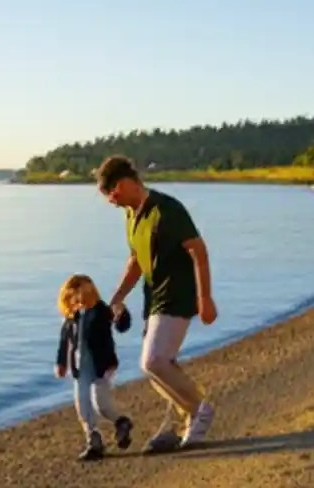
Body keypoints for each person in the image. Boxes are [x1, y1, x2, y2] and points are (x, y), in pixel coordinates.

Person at [98, 155, 218, 453]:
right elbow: (136, 262)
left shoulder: (168, 210)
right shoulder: (131, 216)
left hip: (178, 296)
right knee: (153, 365)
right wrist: (115, 299)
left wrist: (205, 298)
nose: (110, 201)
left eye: (111, 193)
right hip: (154, 299)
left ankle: (200, 409)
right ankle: (187, 416)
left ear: (125, 183)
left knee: (154, 361)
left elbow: (198, 251)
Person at [54, 273, 134, 461]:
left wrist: (122, 314)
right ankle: (93, 440)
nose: (78, 298)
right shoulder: (72, 317)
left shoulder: (101, 311)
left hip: (101, 366)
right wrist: (61, 362)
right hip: (80, 369)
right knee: (82, 405)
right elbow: (64, 340)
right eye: (74, 294)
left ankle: (121, 422)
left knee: (101, 403)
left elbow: (121, 325)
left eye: (81, 291)